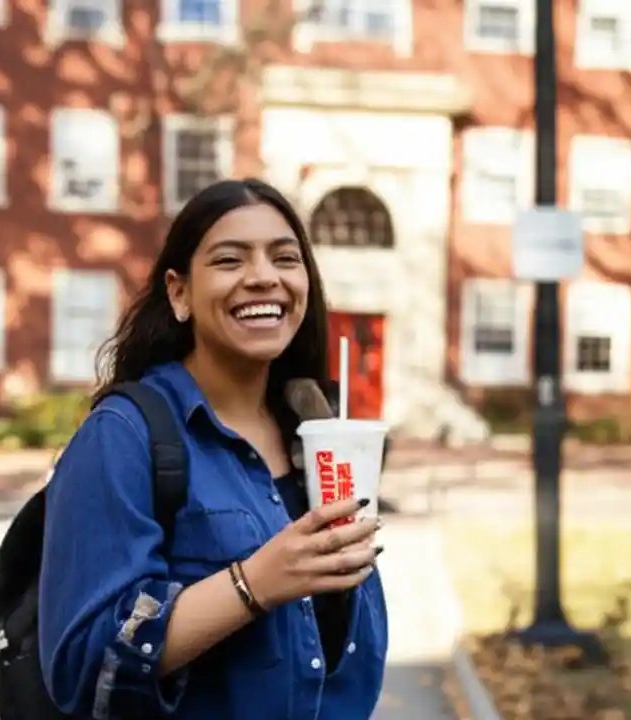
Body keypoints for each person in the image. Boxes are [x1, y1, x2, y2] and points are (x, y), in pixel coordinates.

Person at [38, 178, 389, 719]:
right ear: (180, 293)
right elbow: (82, 666)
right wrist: (255, 584)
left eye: (284, 258)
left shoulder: (314, 433)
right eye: (230, 260)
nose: (263, 278)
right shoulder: (124, 436)